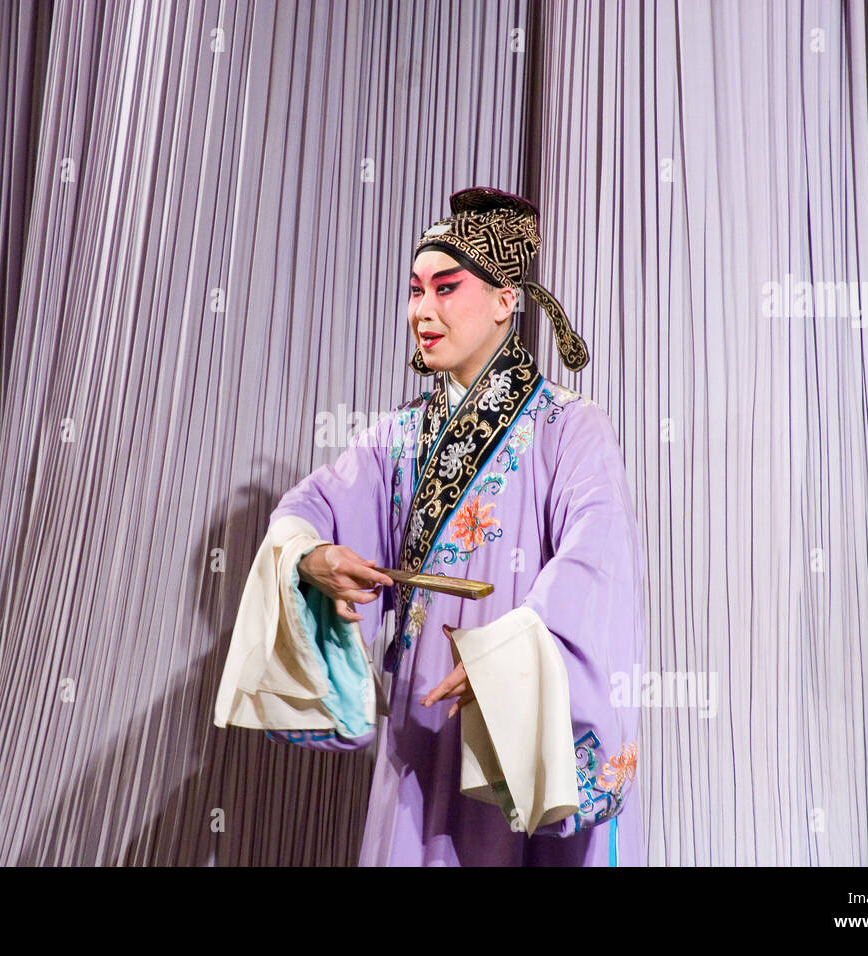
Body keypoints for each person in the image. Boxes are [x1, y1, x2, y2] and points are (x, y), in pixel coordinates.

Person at [214, 186, 647, 866]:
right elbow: (308, 512)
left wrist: (516, 659)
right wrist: (312, 556)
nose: (422, 310)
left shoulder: (571, 428)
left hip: (518, 737)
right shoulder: (400, 437)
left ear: (507, 300)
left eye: (446, 288)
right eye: (415, 290)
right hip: (422, 737)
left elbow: (597, 565)